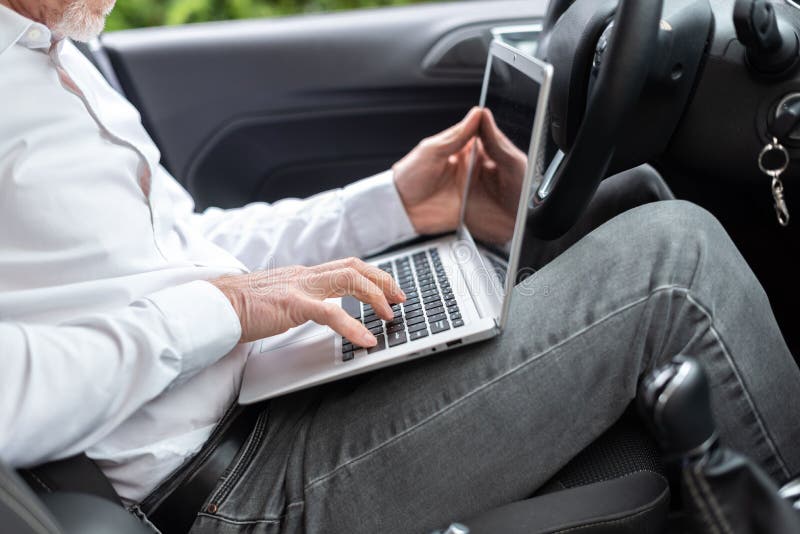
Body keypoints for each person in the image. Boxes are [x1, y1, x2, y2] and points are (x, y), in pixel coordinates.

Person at [1, 0, 798, 532]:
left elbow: (181, 250)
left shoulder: (54, 59)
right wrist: (225, 311)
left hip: (269, 394)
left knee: (617, 211)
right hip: (239, 491)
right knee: (673, 261)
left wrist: (394, 204)